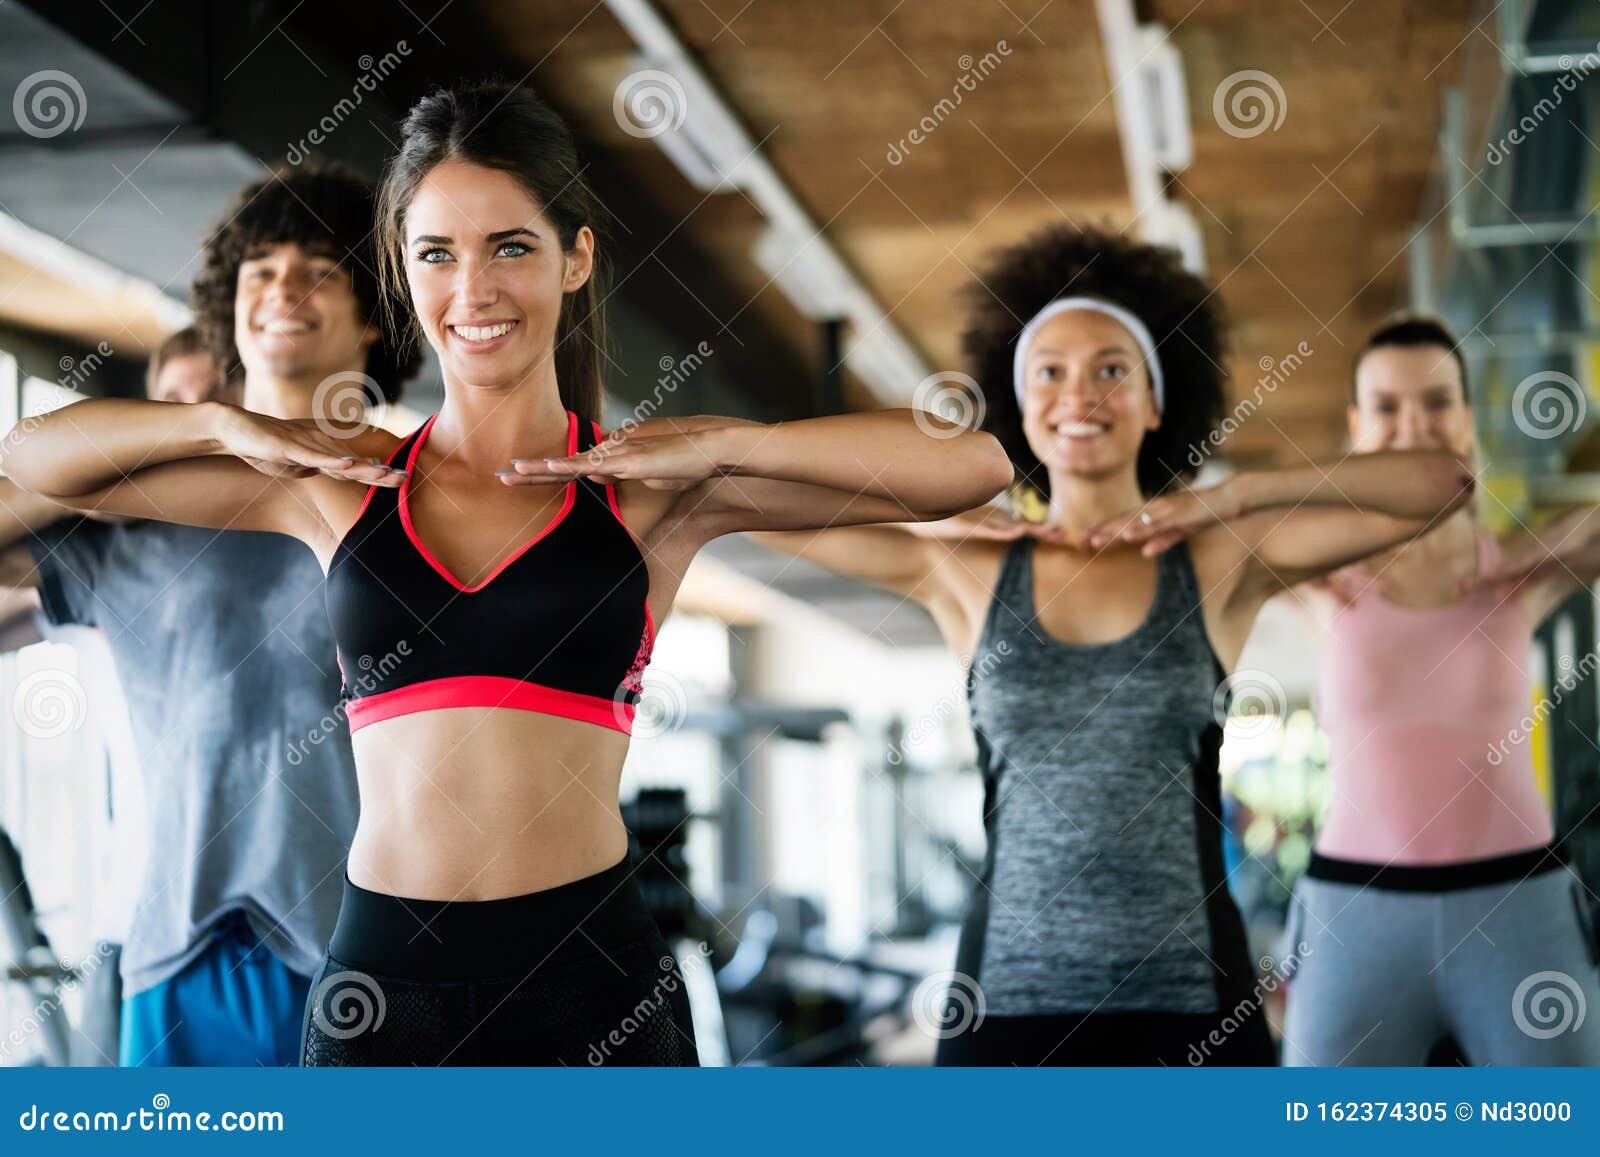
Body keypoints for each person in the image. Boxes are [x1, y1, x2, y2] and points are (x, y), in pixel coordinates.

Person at [0, 80, 1015, 1067]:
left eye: (511, 247)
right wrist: (219, 421)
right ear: (403, 272)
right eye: (436, 253)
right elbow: (32, 456)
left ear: (575, 259)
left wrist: (720, 444)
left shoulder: (647, 491)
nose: (473, 289)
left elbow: (969, 465)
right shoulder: (337, 484)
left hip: (593, 984)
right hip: (383, 991)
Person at [752, 225, 1475, 1066]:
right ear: (1021, 406)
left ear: (1157, 400)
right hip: (1006, 1005)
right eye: (1049, 372)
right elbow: (759, 501)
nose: (1078, 393)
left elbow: (1444, 485)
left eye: (1112, 369)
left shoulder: (1217, 558)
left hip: (1192, 1007)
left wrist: (1240, 494)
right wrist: (927, 504)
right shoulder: (965, 567)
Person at [0, 165, 421, 1067]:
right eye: (259, 270)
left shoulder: (418, 495)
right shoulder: (145, 512)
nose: (282, 289)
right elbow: (19, 475)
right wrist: (207, 429)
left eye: (319, 268)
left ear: (376, 314)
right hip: (175, 945)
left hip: (369, 949)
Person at [1281, 316, 1600, 1065]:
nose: (1414, 423)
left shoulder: (1519, 574)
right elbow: (1209, 531)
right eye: (1387, 408)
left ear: (1466, 418)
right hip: (1353, 913)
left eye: (1436, 402)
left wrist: (1526, 548)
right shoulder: (1316, 579)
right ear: (1356, 426)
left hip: (1519, 904)